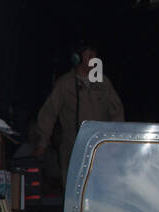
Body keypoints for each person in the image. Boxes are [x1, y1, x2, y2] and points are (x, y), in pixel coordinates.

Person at [34, 41, 125, 190]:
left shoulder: (103, 82)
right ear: (77, 58)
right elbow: (49, 113)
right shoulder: (65, 84)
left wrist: (117, 143)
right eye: (89, 54)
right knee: (74, 192)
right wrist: (42, 143)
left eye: (95, 54)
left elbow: (117, 112)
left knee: (102, 192)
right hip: (73, 147)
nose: (94, 58)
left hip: (101, 149)